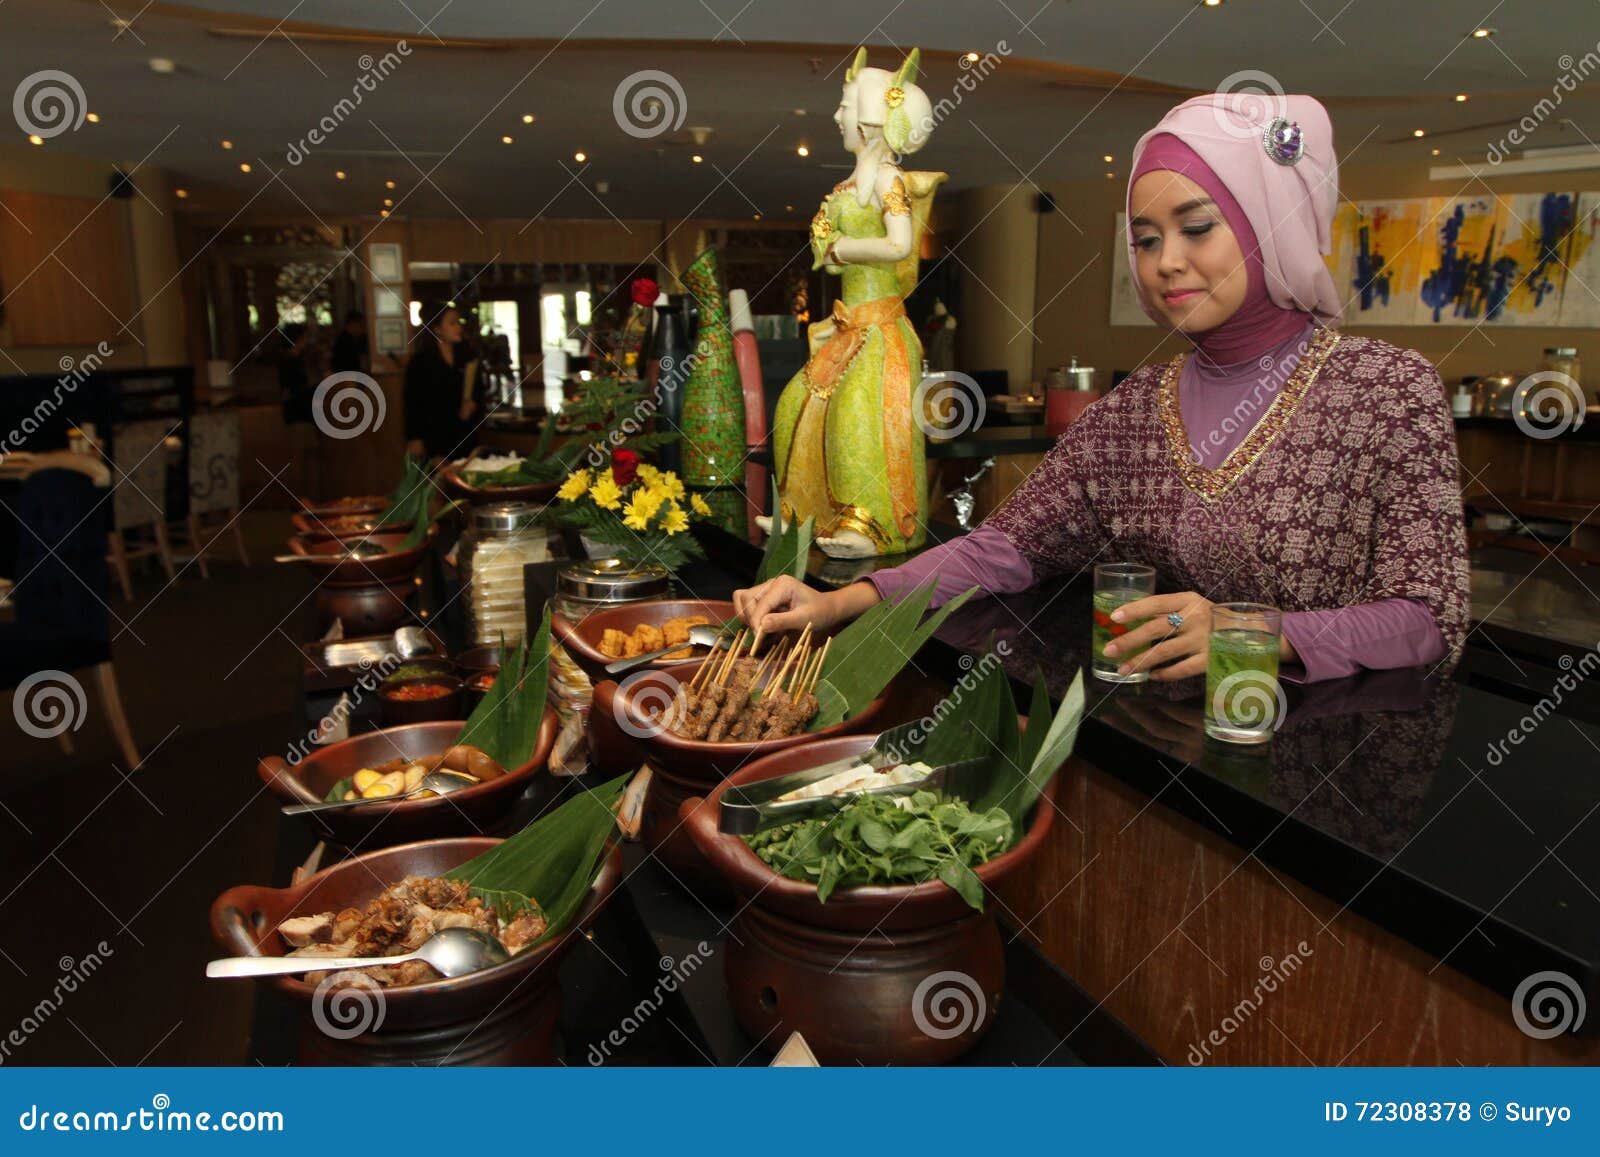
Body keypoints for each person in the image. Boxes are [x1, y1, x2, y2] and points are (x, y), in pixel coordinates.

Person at [736, 92, 1471, 684]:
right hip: (1164, 746)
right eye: (1146, 240)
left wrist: (1255, 632)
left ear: (1269, 228)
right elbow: (1005, 548)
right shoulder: (1131, 412)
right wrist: (843, 600)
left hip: (1329, 770)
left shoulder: (1384, 391)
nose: (1166, 263)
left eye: (1196, 228)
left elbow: (1430, 617)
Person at [403, 302, 475, 460]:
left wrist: (472, 405)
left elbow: (478, 392)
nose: (458, 327)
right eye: (452, 323)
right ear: (437, 329)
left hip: (464, 433)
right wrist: (414, 438)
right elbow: (413, 402)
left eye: (459, 322)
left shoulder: (467, 357)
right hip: (433, 433)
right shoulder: (421, 361)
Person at [278, 322, 324, 497]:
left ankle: (305, 499)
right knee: (302, 461)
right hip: (299, 415)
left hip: (301, 415)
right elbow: (297, 391)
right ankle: (302, 500)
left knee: (307, 460)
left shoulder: (293, 361)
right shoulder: (291, 362)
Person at [330, 311, 367, 375]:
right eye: (361, 325)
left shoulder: (352, 339)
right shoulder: (345, 342)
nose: (364, 329)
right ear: (353, 324)